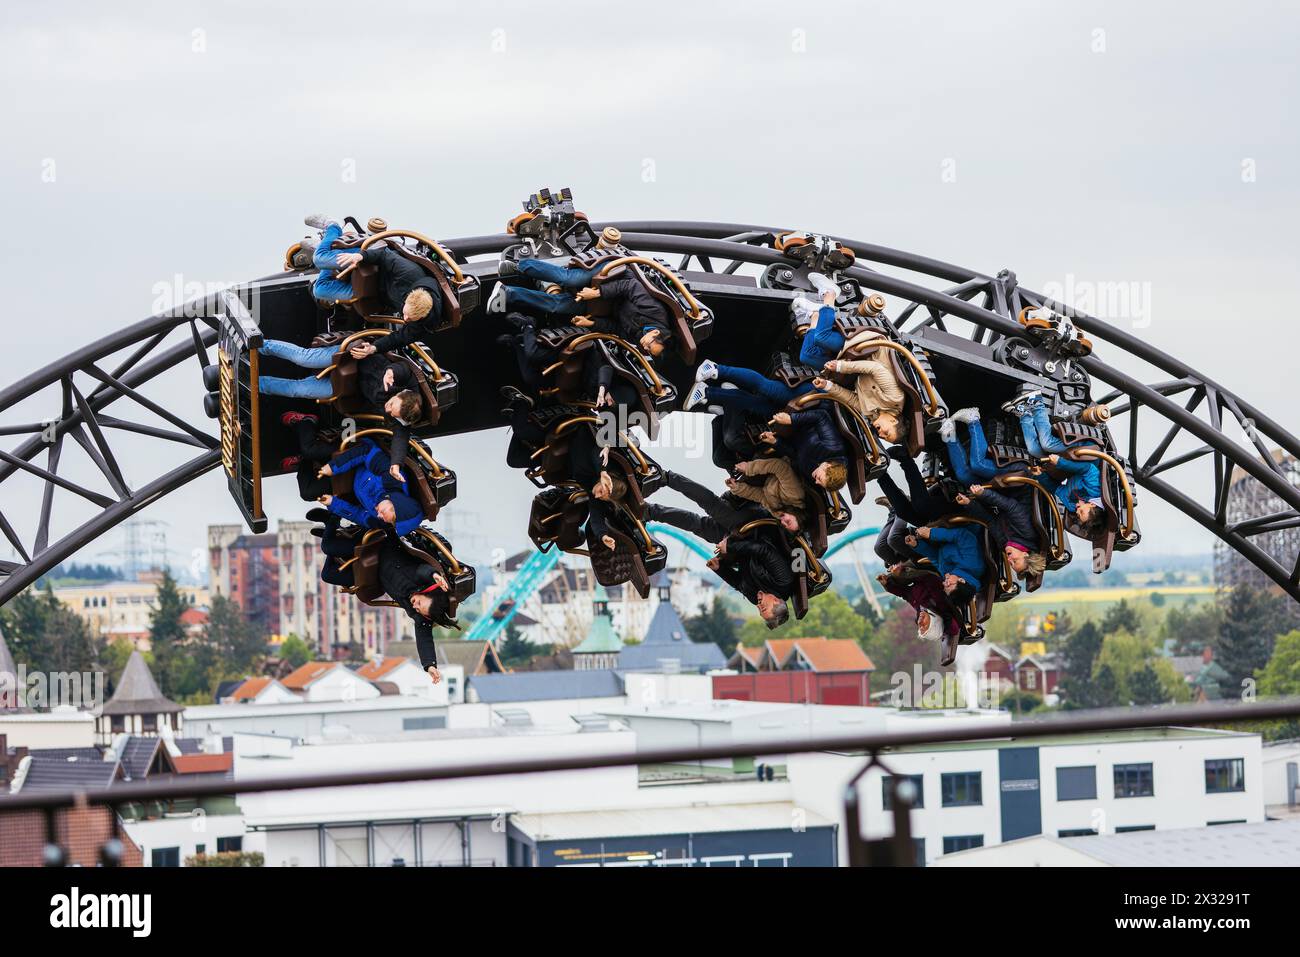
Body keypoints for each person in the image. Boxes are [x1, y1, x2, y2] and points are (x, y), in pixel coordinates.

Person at [255, 338, 425, 475]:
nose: (388, 410)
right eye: (391, 405)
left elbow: (401, 438)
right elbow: (401, 367)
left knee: (299, 390)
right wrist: (390, 372)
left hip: (350, 389)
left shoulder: (402, 415)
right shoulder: (406, 381)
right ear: (401, 394)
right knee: (303, 358)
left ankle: (255, 384)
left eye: (392, 414)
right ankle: (259, 345)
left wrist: (395, 464)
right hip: (352, 359)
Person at [318, 528, 454, 683]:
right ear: (428, 591)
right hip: (377, 547)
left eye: (418, 609)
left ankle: (333, 535)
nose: (415, 606)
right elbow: (424, 570)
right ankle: (332, 521)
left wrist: (430, 665)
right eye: (419, 603)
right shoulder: (420, 578)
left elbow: (424, 637)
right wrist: (434, 575)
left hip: (373, 575)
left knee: (328, 574)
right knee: (328, 546)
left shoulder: (418, 612)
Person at [486, 252, 674, 359]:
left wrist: (590, 324)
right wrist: (597, 293)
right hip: (614, 273)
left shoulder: (639, 337)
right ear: (656, 334)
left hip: (605, 303)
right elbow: (629, 286)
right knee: (568, 278)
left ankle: (508, 293)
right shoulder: (656, 314)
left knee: (559, 307)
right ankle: (519, 265)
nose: (645, 347)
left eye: (648, 351)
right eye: (650, 346)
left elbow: (615, 328)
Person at [304, 216, 444, 354]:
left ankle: (326, 248)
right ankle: (333, 228)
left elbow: (400, 338)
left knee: (320, 289)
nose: (405, 319)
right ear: (409, 296)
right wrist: (360, 256)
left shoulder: (425, 321)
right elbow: (384, 255)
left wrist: (374, 348)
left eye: (410, 318)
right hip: (372, 263)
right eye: (406, 314)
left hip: (375, 293)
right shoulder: (410, 273)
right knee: (319, 259)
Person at [1006, 392, 1104, 533]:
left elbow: (1056, 489)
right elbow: (1087, 469)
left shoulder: (1071, 505)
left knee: (1034, 450)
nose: (1077, 513)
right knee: (1047, 444)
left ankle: (1024, 414)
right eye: (1082, 513)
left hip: (1068, 462)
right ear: (1093, 507)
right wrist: (1061, 463)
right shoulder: (1095, 491)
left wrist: (1040, 475)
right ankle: (1037, 402)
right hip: (1084, 451)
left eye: (1078, 516)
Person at [316, 437, 424, 535]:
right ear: (394, 502)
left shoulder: (383, 521)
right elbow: (367, 451)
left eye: (388, 521)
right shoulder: (392, 478)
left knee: (310, 492)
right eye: (383, 512)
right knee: (311, 452)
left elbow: (359, 516)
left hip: (349, 485)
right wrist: (333, 467)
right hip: (353, 456)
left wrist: (333, 503)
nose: (379, 516)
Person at [817, 329, 909, 443]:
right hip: (870, 347)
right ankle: (815, 312)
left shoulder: (872, 415)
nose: (880, 434)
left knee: (808, 356)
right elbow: (875, 368)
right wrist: (841, 366)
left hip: (856, 359)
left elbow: (851, 399)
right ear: (894, 421)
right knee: (821, 337)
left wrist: (827, 386)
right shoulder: (895, 397)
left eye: (883, 437)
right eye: (887, 433)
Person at [954, 483, 1048, 580]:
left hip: (1000, 497)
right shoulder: (1027, 533)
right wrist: (983, 493)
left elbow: (989, 521)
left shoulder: (1004, 545)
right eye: (1015, 561)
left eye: (1011, 564)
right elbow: (1010, 506)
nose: (1008, 560)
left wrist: (969, 504)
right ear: (1025, 554)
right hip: (1017, 488)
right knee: (966, 476)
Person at [878, 564, 965, 667]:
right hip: (925, 567)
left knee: (886, 560)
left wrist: (888, 585)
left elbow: (906, 595)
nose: (919, 623)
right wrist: (903, 573)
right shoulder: (939, 602)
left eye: (920, 628)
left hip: (912, 576)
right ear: (934, 622)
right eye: (924, 626)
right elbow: (929, 577)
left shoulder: (921, 609)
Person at [710, 533, 794, 629]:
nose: (758, 606)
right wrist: (730, 547)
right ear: (776, 601)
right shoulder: (783, 581)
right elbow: (764, 550)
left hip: (738, 544)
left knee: (699, 527)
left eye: (760, 611)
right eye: (763, 608)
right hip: (754, 532)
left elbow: (739, 584)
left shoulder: (754, 598)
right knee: (700, 526)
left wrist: (719, 569)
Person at [758, 407, 849, 493]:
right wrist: (792, 419)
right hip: (800, 414)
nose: (816, 482)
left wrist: (775, 442)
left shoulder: (814, 473)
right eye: (820, 479)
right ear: (827, 466)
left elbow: (795, 455)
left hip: (788, 435)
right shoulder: (833, 446)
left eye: (820, 484)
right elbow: (821, 416)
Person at [904, 524, 985, 606]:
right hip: (959, 524)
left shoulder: (948, 575)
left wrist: (917, 545)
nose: (944, 583)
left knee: (900, 537)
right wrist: (931, 533)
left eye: (945, 587)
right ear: (962, 581)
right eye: (949, 585)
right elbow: (963, 535)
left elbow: (935, 557)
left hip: (940, 536)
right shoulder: (972, 565)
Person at [728, 457, 807, 532]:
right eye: (788, 522)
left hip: (762, 480)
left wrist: (738, 489)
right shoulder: (795, 494)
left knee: (722, 461)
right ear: (797, 515)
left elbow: (760, 497)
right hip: (772, 462)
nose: (783, 522)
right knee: (723, 456)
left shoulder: (778, 513)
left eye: (784, 525)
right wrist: (749, 467)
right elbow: (779, 466)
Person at [792, 273, 846, 366]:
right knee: (822, 337)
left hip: (846, 370)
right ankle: (830, 293)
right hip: (859, 348)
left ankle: (815, 315)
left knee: (806, 356)